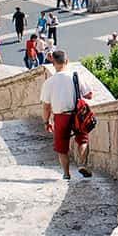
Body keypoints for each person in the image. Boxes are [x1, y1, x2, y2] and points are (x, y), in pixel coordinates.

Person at [41, 50, 93, 180]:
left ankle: (66, 173)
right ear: (66, 61)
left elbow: (46, 106)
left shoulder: (49, 82)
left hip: (60, 117)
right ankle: (81, 163)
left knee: (62, 147)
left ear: (53, 63)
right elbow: (89, 95)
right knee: (83, 140)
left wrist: (46, 122)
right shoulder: (75, 76)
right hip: (77, 115)